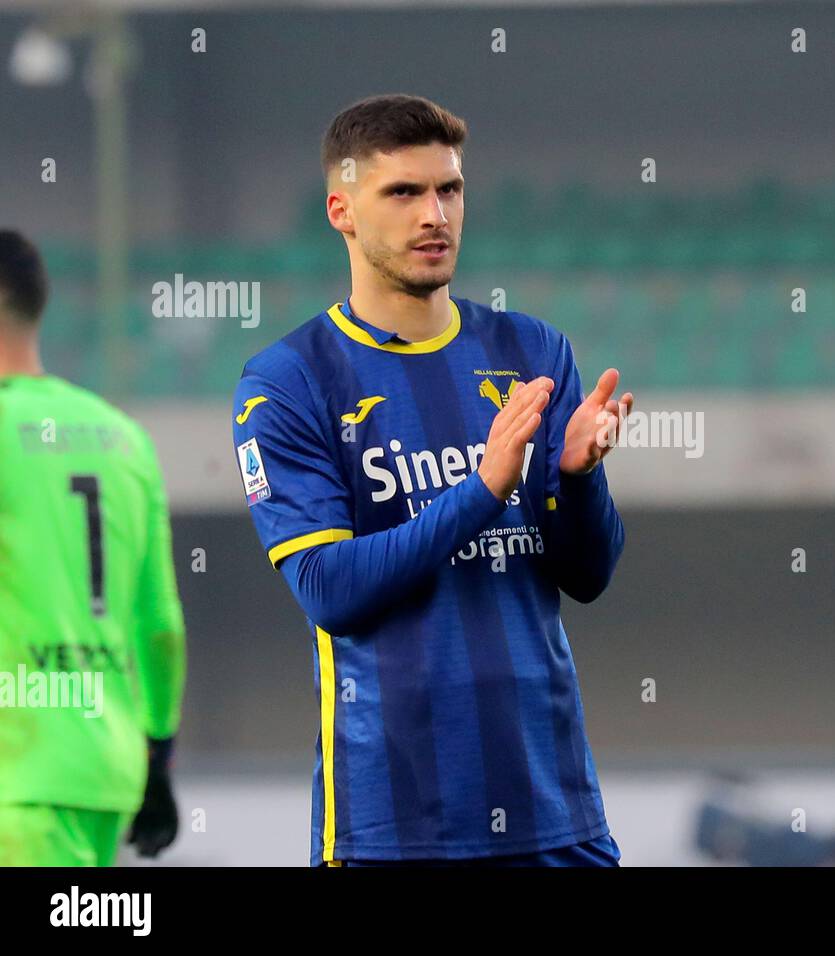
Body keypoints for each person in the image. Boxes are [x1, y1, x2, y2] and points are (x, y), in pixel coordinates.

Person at [231, 94, 632, 866]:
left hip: (553, 812)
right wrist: (481, 492)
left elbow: (588, 575)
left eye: (449, 190)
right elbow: (329, 588)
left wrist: (580, 480)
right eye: (404, 193)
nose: (434, 215)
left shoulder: (531, 349)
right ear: (341, 210)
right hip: (393, 823)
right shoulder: (288, 382)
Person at [0, 230, 186, 866]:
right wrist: (157, 753)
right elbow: (159, 628)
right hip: (104, 775)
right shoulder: (122, 438)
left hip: (16, 778)